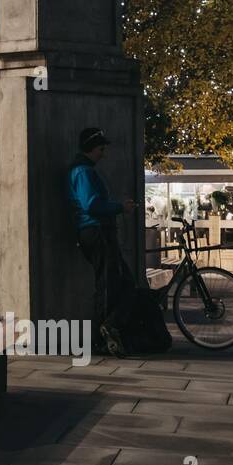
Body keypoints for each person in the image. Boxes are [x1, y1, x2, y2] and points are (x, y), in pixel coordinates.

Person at [68, 127, 139, 357]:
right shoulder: (83, 172)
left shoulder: (85, 170)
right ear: (90, 147)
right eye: (100, 148)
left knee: (124, 283)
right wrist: (120, 207)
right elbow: (91, 204)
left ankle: (109, 327)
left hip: (99, 232)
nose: (103, 153)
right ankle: (102, 336)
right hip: (96, 232)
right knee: (107, 285)